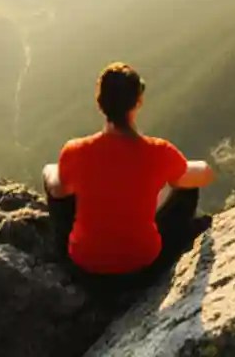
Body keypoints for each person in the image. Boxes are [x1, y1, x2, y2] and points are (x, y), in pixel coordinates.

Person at [42, 62, 215, 286]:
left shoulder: (76, 151)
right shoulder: (158, 151)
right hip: (144, 270)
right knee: (186, 187)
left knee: (56, 182)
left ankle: (72, 246)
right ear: (139, 101)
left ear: (99, 104)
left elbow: (58, 188)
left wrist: (49, 169)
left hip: (86, 273)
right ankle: (184, 238)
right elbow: (204, 174)